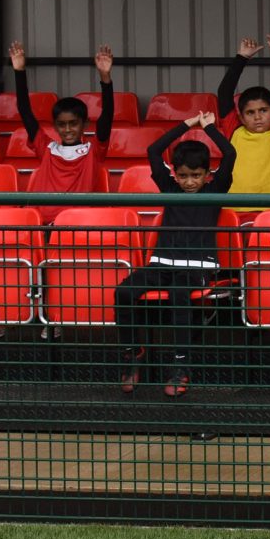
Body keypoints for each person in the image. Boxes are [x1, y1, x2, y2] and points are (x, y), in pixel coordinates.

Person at [113, 113, 236, 398]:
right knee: (123, 292)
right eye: (183, 175)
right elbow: (153, 150)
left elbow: (230, 152)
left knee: (179, 293)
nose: (189, 182)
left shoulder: (215, 191)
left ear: (208, 175)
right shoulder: (169, 189)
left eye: (196, 176)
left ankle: (181, 366)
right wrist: (186, 125)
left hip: (196, 268)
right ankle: (133, 353)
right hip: (161, 264)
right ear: (175, 175)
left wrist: (208, 128)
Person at [9, 41, 115, 223]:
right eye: (62, 124)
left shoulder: (93, 151)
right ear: (55, 126)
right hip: (42, 226)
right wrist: (19, 72)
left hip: (77, 226)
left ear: (85, 124)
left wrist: (105, 79)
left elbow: (107, 115)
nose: (67, 130)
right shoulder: (46, 148)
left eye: (73, 123)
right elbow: (25, 111)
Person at [215, 34, 270, 209]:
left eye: (263, 111)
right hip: (231, 214)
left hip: (269, 218)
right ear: (240, 117)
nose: (257, 117)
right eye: (250, 112)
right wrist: (241, 57)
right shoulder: (234, 131)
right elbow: (224, 93)